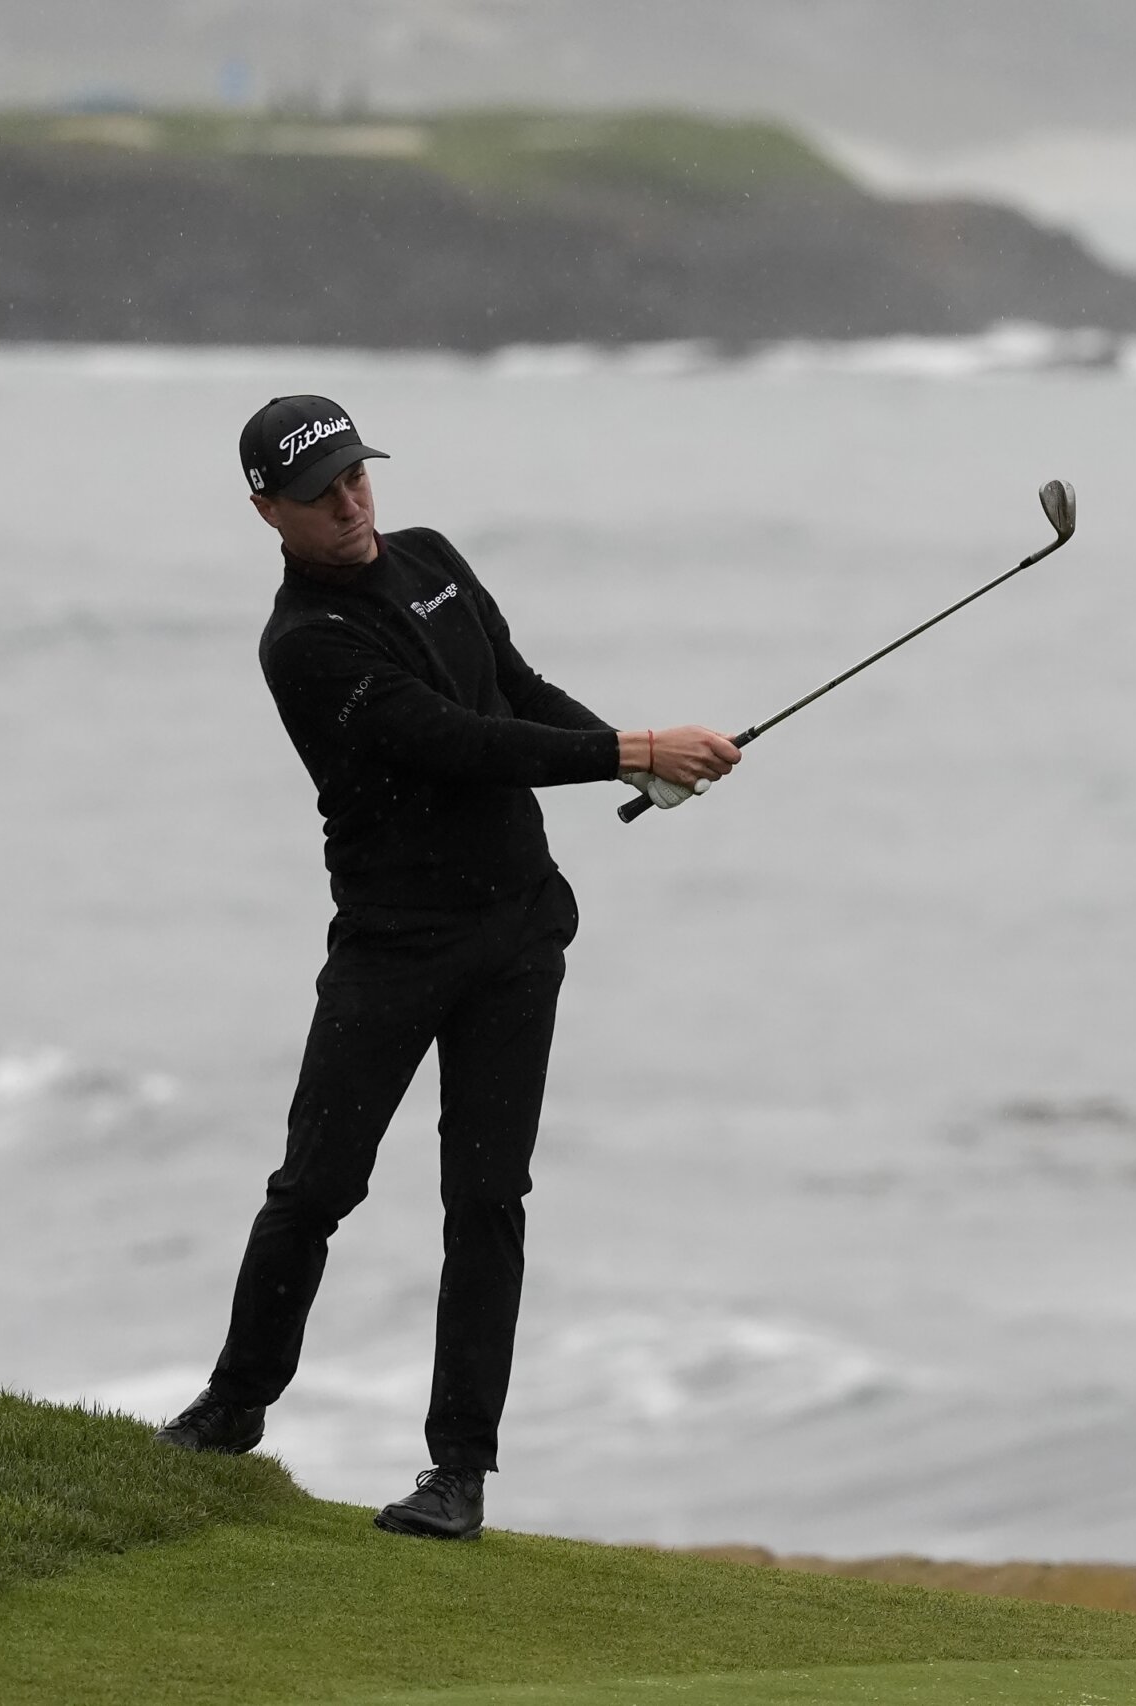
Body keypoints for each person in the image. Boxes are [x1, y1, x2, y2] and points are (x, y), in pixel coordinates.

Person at [153, 395, 739, 1541]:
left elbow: (509, 691)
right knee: (316, 1187)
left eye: (358, 477)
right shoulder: (304, 644)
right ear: (267, 509)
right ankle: (235, 1404)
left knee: (487, 1199)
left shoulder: (430, 559)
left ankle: (457, 1472)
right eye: (320, 494)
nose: (351, 504)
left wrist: (637, 760)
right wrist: (630, 748)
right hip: (394, 945)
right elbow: (449, 741)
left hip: (516, 933)